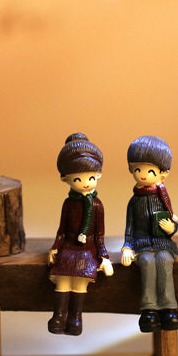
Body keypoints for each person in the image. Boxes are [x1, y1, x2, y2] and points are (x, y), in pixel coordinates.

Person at [48, 133, 114, 335]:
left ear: (98, 175)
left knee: (80, 281)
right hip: (68, 248)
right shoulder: (69, 204)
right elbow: (62, 230)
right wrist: (55, 248)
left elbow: (99, 236)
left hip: (87, 250)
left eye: (91, 177)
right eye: (78, 179)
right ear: (65, 179)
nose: (85, 183)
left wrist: (104, 257)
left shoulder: (97, 205)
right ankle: (59, 316)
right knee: (63, 279)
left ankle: (75, 317)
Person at [120, 135, 178, 333]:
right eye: (138, 170)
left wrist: (171, 228)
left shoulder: (163, 197)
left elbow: (171, 220)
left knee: (164, 260)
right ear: (131, 170)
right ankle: (149, 310)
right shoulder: (134, 202)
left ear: (163, 173)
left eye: (150, 171)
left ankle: (169, 308)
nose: (143, 175)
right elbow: (129, 229)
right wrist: (127, 247)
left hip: (163, 244)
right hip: (143, 245)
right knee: (147, 262)